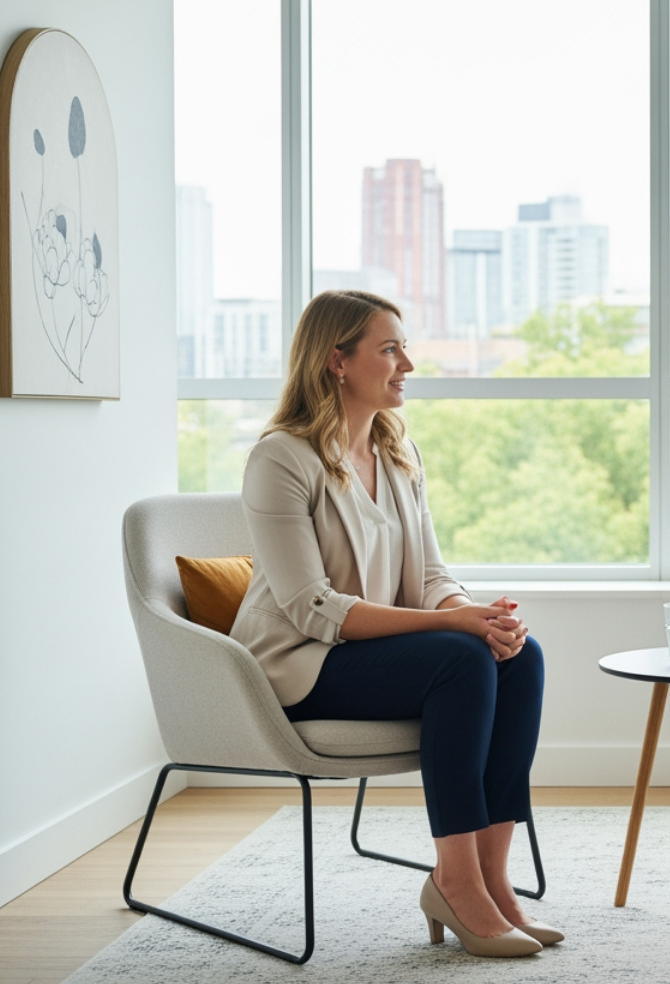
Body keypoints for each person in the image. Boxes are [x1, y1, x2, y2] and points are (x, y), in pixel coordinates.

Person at [230, 289, 557, 959]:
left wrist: (477, 617)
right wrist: (456, 630)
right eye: (389, 349)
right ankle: (454, 880)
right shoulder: (280, 460)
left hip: (374, 653)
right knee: (460, 658)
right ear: (337, 361)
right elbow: (310, 607)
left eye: (404, 346)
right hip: (299, 663)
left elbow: (433, 576)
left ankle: (493, 879)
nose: (407, 362)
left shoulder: (395, 451)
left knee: (517, 657)